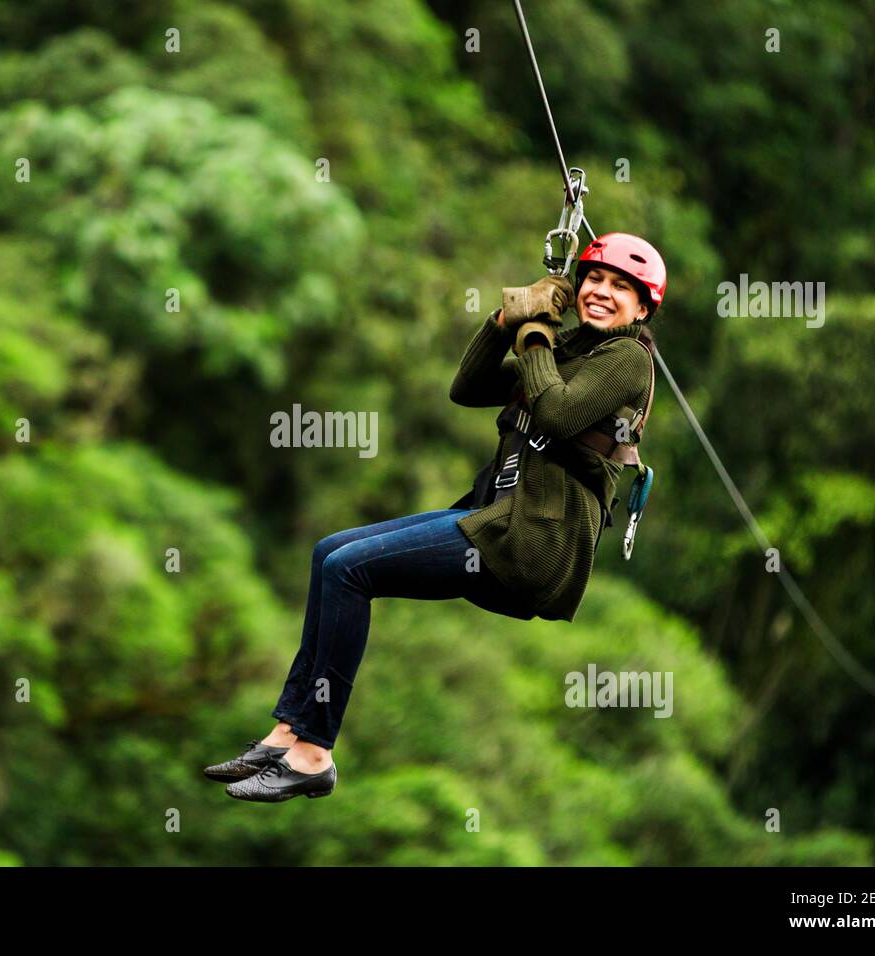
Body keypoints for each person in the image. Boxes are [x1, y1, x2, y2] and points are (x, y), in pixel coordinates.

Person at [203, 233, 666, 801]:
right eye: (594, 279)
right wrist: (504, 321)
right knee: (330, 553)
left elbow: (556, 412)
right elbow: (466, 388)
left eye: (621, 288)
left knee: (352, 572)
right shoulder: (571, 351)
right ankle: (286, 732)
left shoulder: (628, 361)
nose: (601, 292)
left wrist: (537, 336)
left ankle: (313, 752)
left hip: (533, 544)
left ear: (641, 309)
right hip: (497, 518)